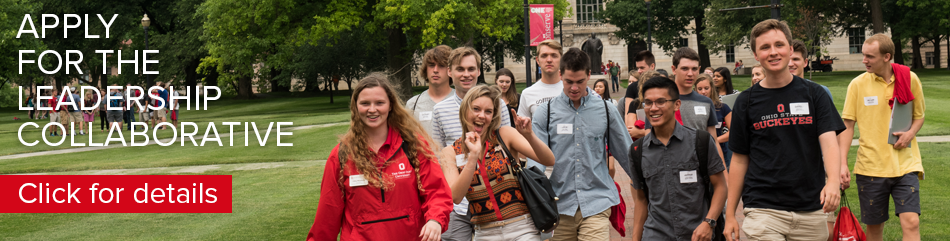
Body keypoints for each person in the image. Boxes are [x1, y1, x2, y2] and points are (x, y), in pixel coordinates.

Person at [723, 19, 844, 241]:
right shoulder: (745, 101)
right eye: (765, 47)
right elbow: (740, 160)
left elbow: (829, 143)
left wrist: (833, 182)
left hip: (811, 209)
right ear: (755, 55)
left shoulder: (815, 94)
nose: (773, 52)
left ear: (790, 49)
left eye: (779, 45)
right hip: (763, 209)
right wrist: (730, 214)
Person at [307, 73, 453, 241]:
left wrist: (435, 220)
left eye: (379, 103)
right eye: (365, 103)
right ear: (355, 107)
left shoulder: (413, 146)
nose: (372, 109)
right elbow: (327, 215)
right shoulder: (342, 154)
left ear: (390, 105)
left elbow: (437, 192)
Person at [531, 48, 634, 241]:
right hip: (557, 205)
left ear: (589, 75)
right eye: (569, 81)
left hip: (597, 201)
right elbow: (534, 161)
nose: (574, 88)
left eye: (580, 81)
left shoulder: (606, 110)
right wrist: (534, 195)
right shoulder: (545, 112)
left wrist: (648, 185)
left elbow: (627, 153)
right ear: (561, 75)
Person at [838, 33, 925, 241]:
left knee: (912, 222)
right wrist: (842, 164)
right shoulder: (857, 85)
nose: (864, 60)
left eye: (870, 56)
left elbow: (919, 116)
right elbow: (847, 126)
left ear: (887, 57)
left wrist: (910, 133)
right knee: (875, 229)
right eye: (863, 55)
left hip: (906, 164)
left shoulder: (909, 78)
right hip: (871, 167)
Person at [440, 85, 556, 240]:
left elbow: (549, 160)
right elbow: (456, 197)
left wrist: (529, 135)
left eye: (488, 111)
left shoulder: (504, 135)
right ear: (464, 111)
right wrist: (473, 156)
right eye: (476, 109)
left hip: (522, 227)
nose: (482, 115)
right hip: (485, 232)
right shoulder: (451, 152)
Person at [631, 76, 727, 241]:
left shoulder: (701, 141)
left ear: (677, 104)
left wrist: (709, 222)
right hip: (656, 235)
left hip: (697, 235)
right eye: (648, 103)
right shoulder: (638, 150)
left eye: (661, 101)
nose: (653, 108)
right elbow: (641, 201)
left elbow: (721, 187)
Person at [431, 47, 512, 241]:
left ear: (478, 71)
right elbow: (437, 157)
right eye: (460, 69)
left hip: (495, 201)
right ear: (450, 72)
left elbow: (508, 149)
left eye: (471, 69)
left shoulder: (497, 105)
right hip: (458, 206)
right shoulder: (440, 110)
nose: (466, 74)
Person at [644, 47, 725, 163]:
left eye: (694, 69)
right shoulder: (659, 102)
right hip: (668, 165)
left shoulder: (706, 102)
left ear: (699, 70)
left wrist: (724, 175)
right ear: (674, 69)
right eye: (685, 69)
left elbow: (713, 141)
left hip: (700, 167)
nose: (690, 74)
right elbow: (649, 140)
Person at [407, 45, 455, 137]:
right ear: (425, 68)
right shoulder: (413, 104)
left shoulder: (462, 101)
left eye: (441, 65)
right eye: (431, 65)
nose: (435, 70)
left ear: (450, 70)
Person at [696, 74, 733, 167]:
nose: (703, 92)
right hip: (697, 153)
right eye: (700, 89)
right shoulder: (691, 108)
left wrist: (714, 141)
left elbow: (734, 132)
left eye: (706, 88)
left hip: (719, 152)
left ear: (712, 88)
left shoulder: (723, 108)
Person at [625, 70, 663, 140]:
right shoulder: (636, 103)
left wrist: (641, 132)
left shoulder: (665, 103)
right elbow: (631, 131)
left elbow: (667, 130)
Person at [624, 50, 657, 115]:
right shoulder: (632, 88)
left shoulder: (663, 85)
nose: (639, 71)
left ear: (652, 66)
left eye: (642, 68)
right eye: (638, 68)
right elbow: (627, 115)